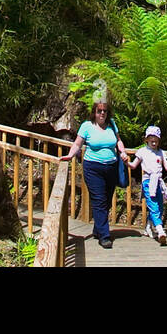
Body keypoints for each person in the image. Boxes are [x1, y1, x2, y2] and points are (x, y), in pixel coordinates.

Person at [58, 98, 128, 248]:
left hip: (111, 167)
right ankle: (104, 235)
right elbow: (78, 144)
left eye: (104, 111)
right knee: (99, 200)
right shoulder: (87, 126)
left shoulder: (112, 125)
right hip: (93, 168)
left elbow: (118, 141)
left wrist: (122, 151)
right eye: (99, 111)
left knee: (107, 200)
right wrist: (70, 156)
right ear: (94, 112)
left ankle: (98, 229)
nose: (102, 113)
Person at [128, 126, 167, 246]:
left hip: (158, 182)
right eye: (151, 140)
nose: (154, 142)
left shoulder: (161, 153)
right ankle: (160, 230)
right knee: (153, 206)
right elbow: (133, 165)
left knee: (159, 206)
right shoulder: (142, 151)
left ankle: (148, 227)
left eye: (156, 140)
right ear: (146, 140)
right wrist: (125, 162)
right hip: (148, 181)